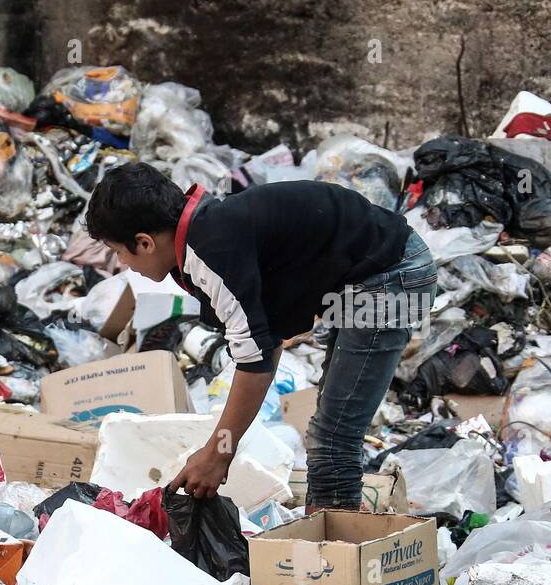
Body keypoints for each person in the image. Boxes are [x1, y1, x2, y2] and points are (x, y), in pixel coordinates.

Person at [84, 163, 437, 509]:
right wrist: (220, 447)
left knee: (333, 437)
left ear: (144, 243)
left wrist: (218, 452)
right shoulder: (203, 238)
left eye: (118, 252)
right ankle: (327, 535)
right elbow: (266, 343)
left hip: (391, 276)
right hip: (363, 275)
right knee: (328, 431)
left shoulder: (211, 251)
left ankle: (334, 555)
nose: (123, 264)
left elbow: (256, 362)